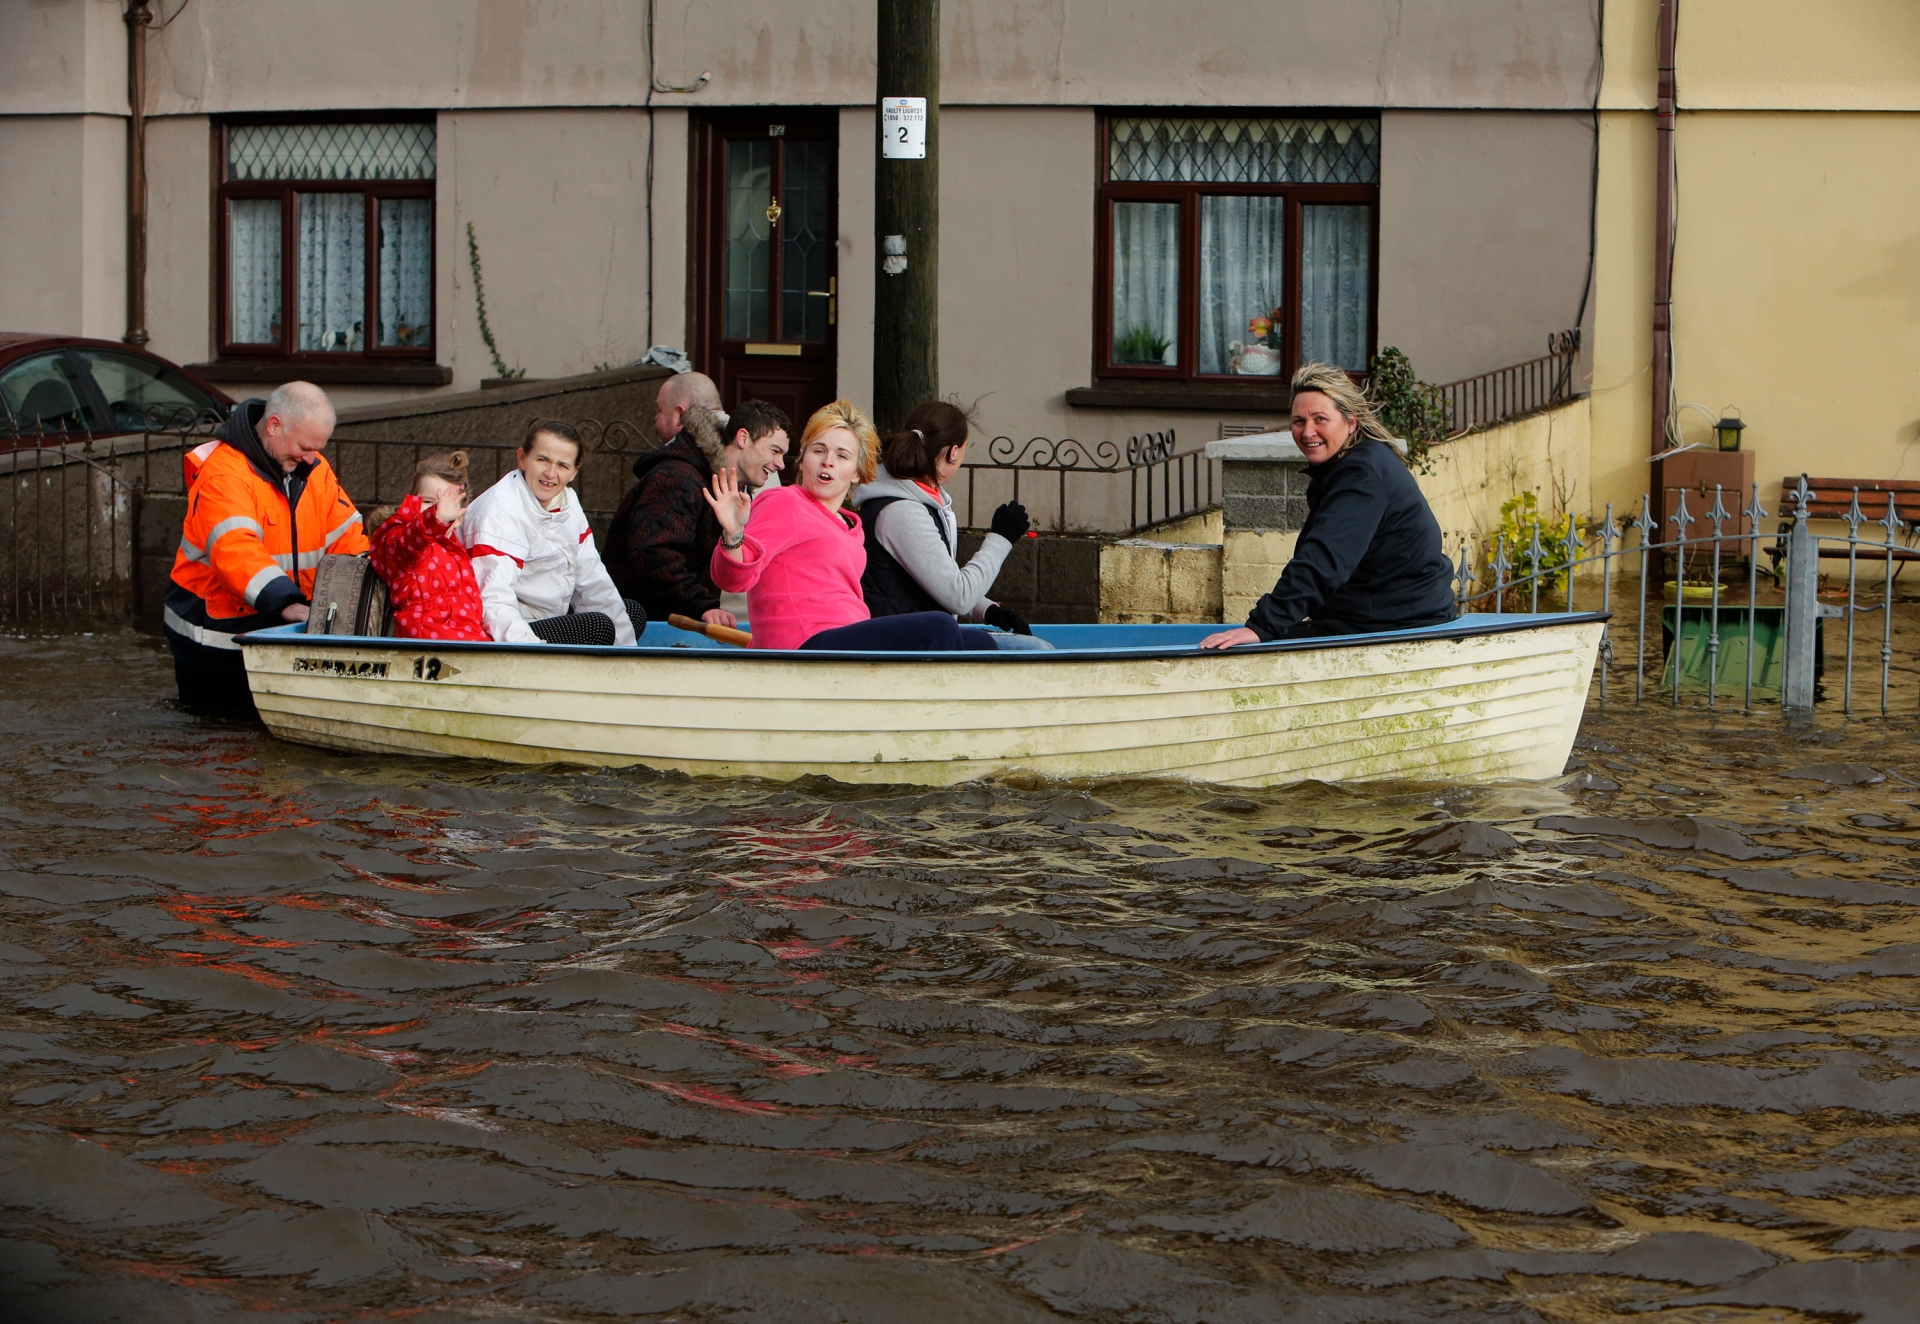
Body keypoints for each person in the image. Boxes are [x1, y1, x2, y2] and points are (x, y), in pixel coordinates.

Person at [705, 400, 1004, 652]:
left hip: (846, 638)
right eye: (818, 450)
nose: (828, 462)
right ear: (803, 460)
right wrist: (733, 535)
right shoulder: (784, 502)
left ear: (858, 474)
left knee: (981, 643)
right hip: (803, 644)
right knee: (939, 625)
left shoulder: (851, 524)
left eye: (842, 455)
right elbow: (733, 580)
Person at [1200, 362, 1457, 650]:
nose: (1308, 432)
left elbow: (1324, 559)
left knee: (1255, 646)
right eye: (1299, 421)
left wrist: (1263, 626)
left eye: (1320, 419)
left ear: (1351, 422)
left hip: (1398, 625)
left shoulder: (1362, 475)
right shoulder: (1355, 464)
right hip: (1386, 616)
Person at [165, 381, 367, 716]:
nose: (310, 457)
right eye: (304, 446)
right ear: (274, 425)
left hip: (278, 627)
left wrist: (365, 586)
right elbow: (235, 550)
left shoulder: (313, 468)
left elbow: (346, 536)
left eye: (317, 449)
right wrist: (287, 602)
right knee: (217, 745)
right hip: (215, 637)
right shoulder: (225, 474)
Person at [849, 399, 1051, 648]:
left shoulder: (918, 499)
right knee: (1035, 650)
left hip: (919, 633)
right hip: (900, 643)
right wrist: (1000, 539)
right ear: (953, 452)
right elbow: (958, 596)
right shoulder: (901, 511)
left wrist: (986, 610)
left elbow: (938, 581)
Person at [606, 398, 791, 628]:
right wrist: (702, 605)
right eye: (774, 451)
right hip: (640, 628)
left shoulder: (731, 488)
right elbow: (653, 557)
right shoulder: (678, 478)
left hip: (674, 624)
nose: (780, 464)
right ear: (743, 438)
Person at [460, 420, 642, 647]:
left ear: (575, 472)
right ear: (522, 458)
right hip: (501, 631)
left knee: (631, 614)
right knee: (598, 626)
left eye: (563, 465)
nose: (550, 473)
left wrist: (628, 656)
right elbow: (493, 601)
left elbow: (593, 581)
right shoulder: (499, 511)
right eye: (542, 459)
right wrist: (536, 656)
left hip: (547, 617)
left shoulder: (568, 502)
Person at [367, 450, 488, 642]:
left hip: (467, 639)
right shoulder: (403, 537)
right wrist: (435, 519)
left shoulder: (455, 550)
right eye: (428, 502)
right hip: (429, 644)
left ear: (460, 516)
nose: (436, 509)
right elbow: (407, 543)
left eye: (445, 504)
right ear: (412, 502)